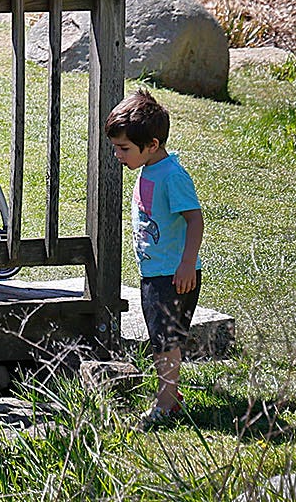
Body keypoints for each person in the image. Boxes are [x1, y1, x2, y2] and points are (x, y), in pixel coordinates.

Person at [107, 89, 205, 428]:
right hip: (156, 272)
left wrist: (187, 264)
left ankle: (166, 404)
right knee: (164, 338)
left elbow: (195, 219)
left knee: (165, 342)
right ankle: (171, 396)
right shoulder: (150, 169)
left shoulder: (172, 175)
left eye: (124, 149)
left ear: (151, 144)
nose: (118, 155)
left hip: (172, 275)